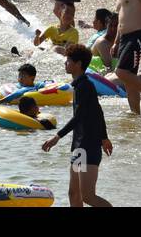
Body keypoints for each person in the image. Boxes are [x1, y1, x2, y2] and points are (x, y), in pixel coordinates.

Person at [41, 45, 112, 208]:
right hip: (80, 146)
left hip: (88, 146)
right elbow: (98, 112)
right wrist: (105, 137)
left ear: (78, 64)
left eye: (68, 61)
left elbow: (79, 117)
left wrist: (57, 136)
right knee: (74, 194)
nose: (65, 63)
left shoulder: (85, 86)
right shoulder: (79, 85)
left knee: (88, 196)